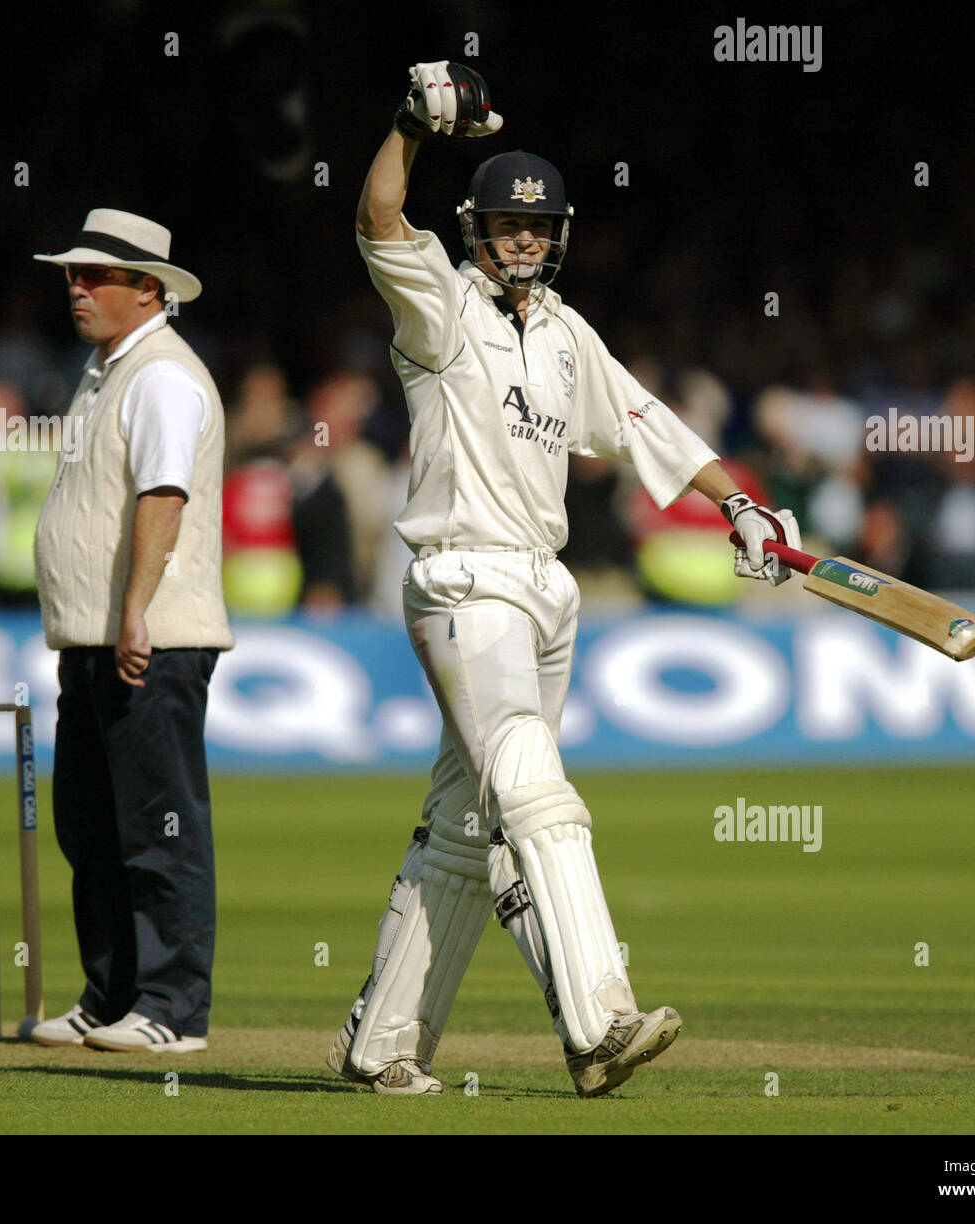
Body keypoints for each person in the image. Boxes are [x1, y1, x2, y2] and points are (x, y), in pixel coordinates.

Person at [329, 62, 803, 1097]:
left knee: (467, 822)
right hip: (463, 582)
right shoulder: (439, 309)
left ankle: (379, 1047)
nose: (524, 242)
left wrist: (738, 502)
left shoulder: (564, 333)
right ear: (476, 229)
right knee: (532, 781)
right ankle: (600, 1021)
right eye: (506, 225)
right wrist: (410, 125)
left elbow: (646, 426)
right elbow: (375, 212)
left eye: (538, 228)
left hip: (543, 592)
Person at [27, 209, 234, 1052]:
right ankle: (111, 997)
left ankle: (172, 1011)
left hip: (150, 636)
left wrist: (136, 610)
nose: (76, 288)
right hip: (94, 638)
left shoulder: (161, 377)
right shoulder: (108, 372)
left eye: (94, 276)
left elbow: (163, 494)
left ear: (147, 287)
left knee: (160, 824)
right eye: (72, 275)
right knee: (90, 823)